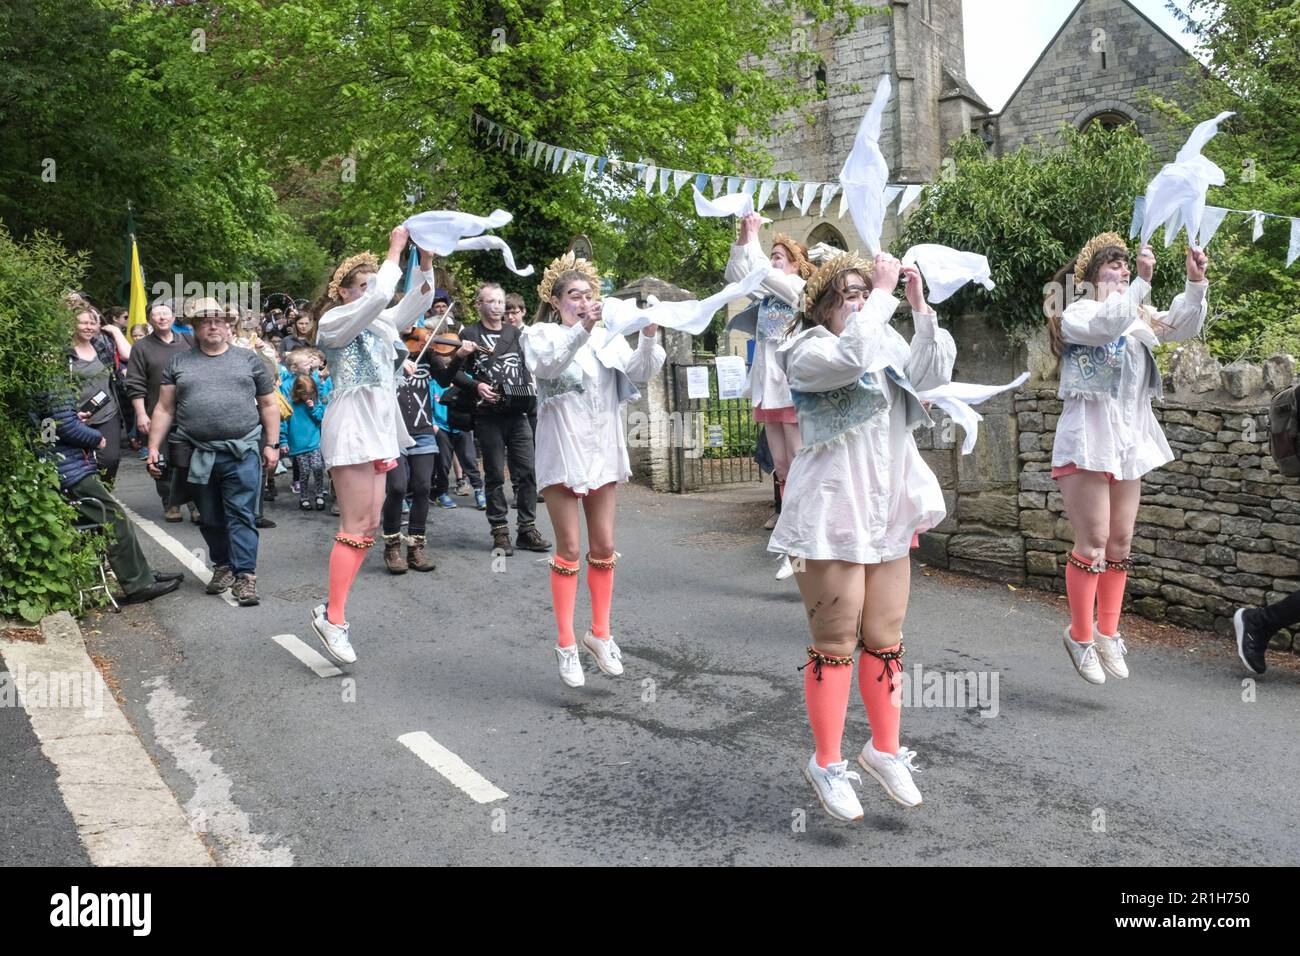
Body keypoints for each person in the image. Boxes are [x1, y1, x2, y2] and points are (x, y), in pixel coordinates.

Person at [770, 251, 955, 820]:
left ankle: (884, 748)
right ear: (824, 306)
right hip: (828, 514)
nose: (860, 298)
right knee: (835, 638)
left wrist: (921, 313)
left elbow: (929, 375)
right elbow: (852, 356)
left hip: (884, 511)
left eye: (862, 291)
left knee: (885, 634)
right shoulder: (808, 350)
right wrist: (879, 294)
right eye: (847, 293)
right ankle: (826, 762)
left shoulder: (882, 338)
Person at [1047, 235, 1209, 685]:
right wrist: (1135, 284)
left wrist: (1195, 284)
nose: (1119, 272)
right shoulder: (1078, 314)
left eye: (1124, 265)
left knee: (1121, 544)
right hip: (1087, 441)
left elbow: (1181, 326)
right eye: (1111, 268)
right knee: (1094, 543)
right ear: (1092, 280)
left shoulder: (1135, 316)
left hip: (1127, 443)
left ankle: (1108, 632)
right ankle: (1079, 635)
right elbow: (1106, 324)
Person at [522, 252, 665, 687]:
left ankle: (600, 634)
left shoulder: (607, 336)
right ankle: (566, 644)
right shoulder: (540, 333)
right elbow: (548, 366)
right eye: (573, 296)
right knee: (568, 547)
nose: (583, 301)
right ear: (556, 301)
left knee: (603, 546)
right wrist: (581, 329)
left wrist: (647, 335)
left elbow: (641, 371)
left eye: (588, 294)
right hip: (563, 448)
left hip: (602, 449)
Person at [310, 229, 435, 664]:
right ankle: (335, 618)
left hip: (381, 426)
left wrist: (425, 260)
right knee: (355, 523)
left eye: (369, 283)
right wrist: (394, 251)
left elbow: (415, 302)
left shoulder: (381, 323)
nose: (368, 291)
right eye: (358, 286)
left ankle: (333, 611)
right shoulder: (333, 323)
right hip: (351, 425)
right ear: (343, 293)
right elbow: (380, 296)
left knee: (367, 530)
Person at [146, 299, 281, 607]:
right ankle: (223, 566)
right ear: (194, 328)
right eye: (205, 321)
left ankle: (245, 577)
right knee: (208, 517)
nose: (213, 326)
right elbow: (164, 408)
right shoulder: (179, 363)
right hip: (198, 452)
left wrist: (271, 445)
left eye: (219, 320)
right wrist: (153, 447)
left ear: (229, 325)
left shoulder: (249, 360)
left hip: (243, 449)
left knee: (241, 514)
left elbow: (269, 404)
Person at [726, 213, 814, 579]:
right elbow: (736, 276)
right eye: (772, 254)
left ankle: (800, 550)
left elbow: (762, 272)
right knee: (782, 469)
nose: (773, 260)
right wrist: (745, 239)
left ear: (795, 266)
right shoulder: (765, 294)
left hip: (792, 391)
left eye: (780, 256)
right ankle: (795, 547)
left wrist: (755, 239)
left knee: (800, 469)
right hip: (768, 392)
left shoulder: (797, 291)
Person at [35, 395, 182, 605]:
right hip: (69, 470)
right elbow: (65, 426)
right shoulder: (52, 376)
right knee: (114, 517)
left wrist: (74, 419)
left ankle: (142, 574)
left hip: (62, 466)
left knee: (113, 515)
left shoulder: (44, 375)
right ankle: (138, 584)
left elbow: (52, 424)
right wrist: (95, 438)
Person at [461, 283, 550, 555]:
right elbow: (454, 374)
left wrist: (528, 393)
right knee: (496, 475)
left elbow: (526, 367)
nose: (499, 307)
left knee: (527, 472)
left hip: (517, 413)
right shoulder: (469, 334)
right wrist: (476, 386)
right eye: (492, 301)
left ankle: (527, 528)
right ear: (479, 305)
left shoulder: (515, 333)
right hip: (487, 416)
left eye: (501, 302)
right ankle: (499, 530)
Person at [125, 302, 196, 522]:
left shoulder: (189, 341)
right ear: (150, 319)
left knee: (193, 461)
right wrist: (140, 413)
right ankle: (171, 503)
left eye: (166, 313)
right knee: (161, 461)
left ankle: (197, 504)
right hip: (156, 413)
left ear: (174, 317)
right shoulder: (142, 347)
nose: (162, 317)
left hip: (190, 413)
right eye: (157, 314)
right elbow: (135, 383)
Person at [380, 346, 440, 574]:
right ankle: (392, 546)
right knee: (397, 487)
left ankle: (416, 546)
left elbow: (445, 378)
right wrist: (394, 367)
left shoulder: (428, 351)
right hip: (392, 429)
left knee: (423, 487)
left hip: (422, 429)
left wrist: (461, 356)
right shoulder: (384, 348)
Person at [68, 304, 131, 484]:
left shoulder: (103, 345)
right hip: (76, 415)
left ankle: (105, 492)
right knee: (80, 461)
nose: (89, 327)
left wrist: (116, 332)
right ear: (73, 325)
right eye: (84, 323)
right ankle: (85, 499)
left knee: (110, 459)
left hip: (107, 412)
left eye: (92, 323)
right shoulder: (64, 352)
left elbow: (130, 355)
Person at [280, 349, 328, 511]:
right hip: (297, 438)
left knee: (317, 467)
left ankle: (320, 494)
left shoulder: (314, 382)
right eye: (306, 363)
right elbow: (283, 415)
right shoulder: (286, 387)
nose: (310, 365)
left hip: (314, 437)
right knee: (305, 470)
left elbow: (321, 413)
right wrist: (283, 439)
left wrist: (313, 408)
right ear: (294, 368)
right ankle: (304, 497)